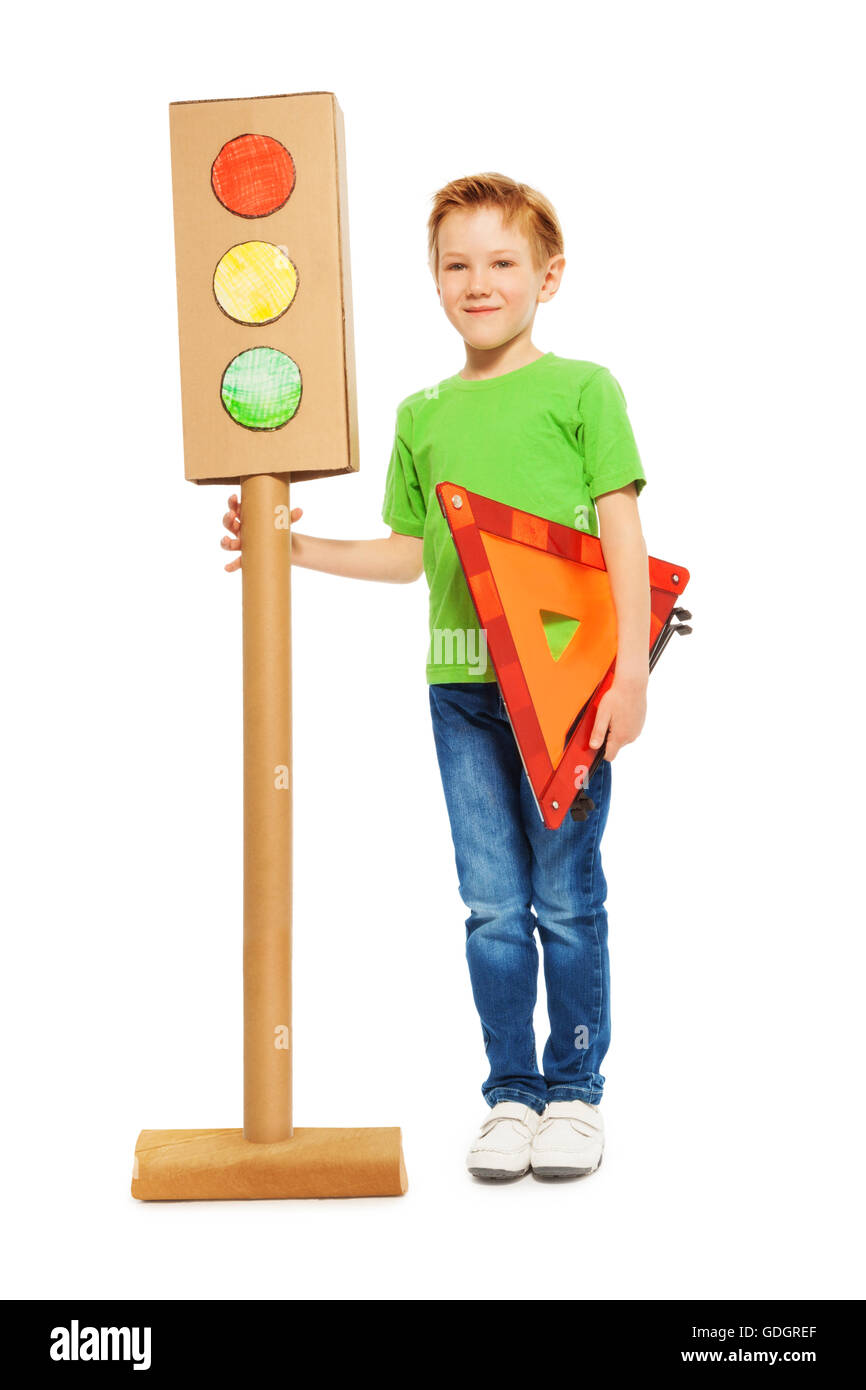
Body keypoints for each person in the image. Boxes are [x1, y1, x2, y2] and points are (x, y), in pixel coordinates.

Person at [221, 173, 650, 1183]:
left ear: (547, 275)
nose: (478, 281)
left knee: (563, 898)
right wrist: (296, 546)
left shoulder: (583, 388)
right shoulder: (421, 413)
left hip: (563, 690)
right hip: (457, 691)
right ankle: (510, 1093)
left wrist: (628, 672)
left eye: (501, 262)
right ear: (432, 278)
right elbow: (410, 553)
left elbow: (624, 535)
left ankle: (575, 1094)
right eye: (456, 263)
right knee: (491, 903)